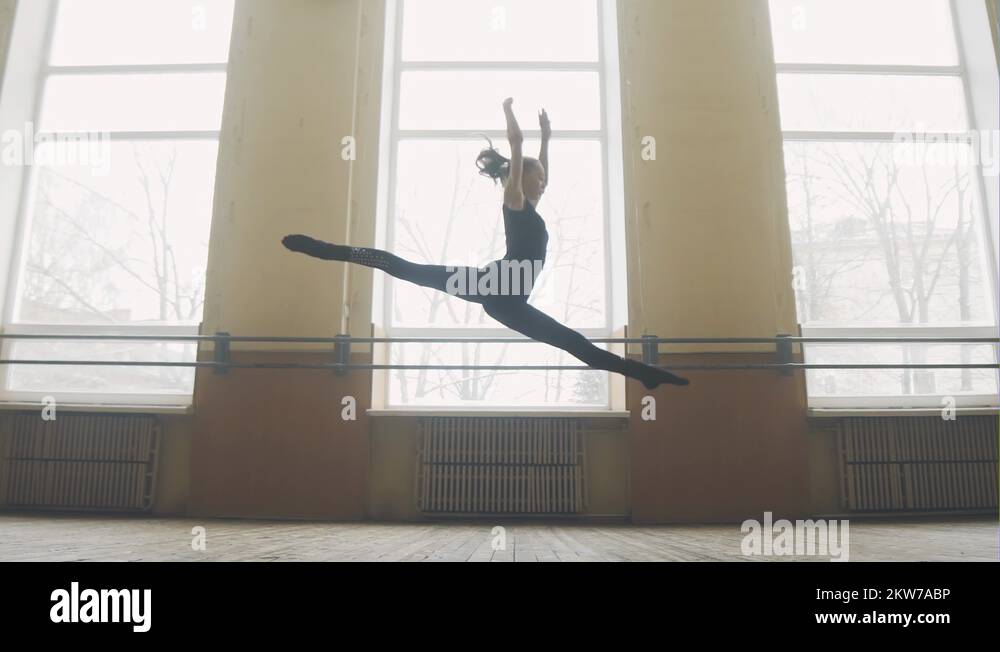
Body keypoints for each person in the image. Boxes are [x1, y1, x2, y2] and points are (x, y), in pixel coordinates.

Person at [282, 98, 689, 390]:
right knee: (404, 268)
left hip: (509, 300)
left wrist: (548, 139)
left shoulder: (531, 201)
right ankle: (324, 249)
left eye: (546, 178)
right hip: (493, 284)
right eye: (539, 177)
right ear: (519, 178)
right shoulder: (514, 201)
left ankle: (644, 375)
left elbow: (536, 168)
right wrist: (510, 114)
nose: (545, 182)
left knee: (574, 344)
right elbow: (516, 150)